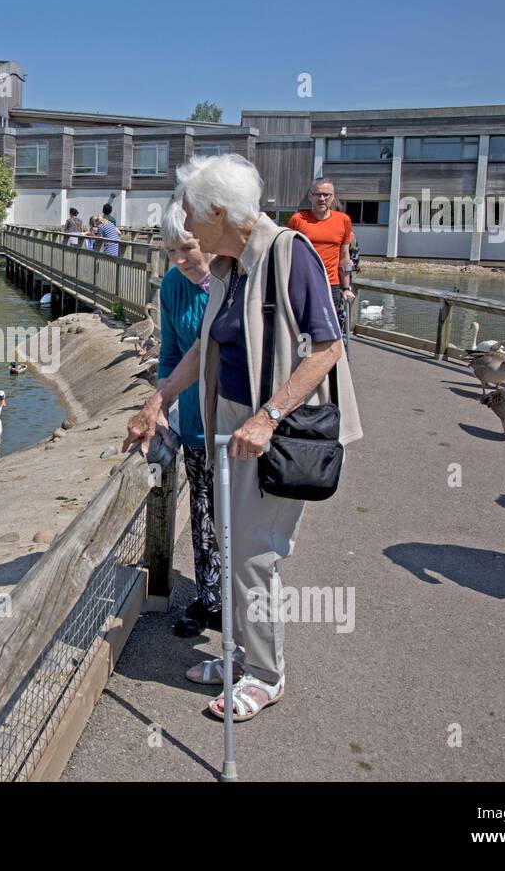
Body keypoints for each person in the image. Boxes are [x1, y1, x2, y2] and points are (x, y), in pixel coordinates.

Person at [124, 153, 361, 722]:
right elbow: (204, 349)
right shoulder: (229, 267)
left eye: (193, 217)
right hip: (231, 418)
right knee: (230, 547)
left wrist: (268, 415)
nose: (189, 231)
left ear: (221, 213)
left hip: (278, 431)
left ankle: (265, 673)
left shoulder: (288, 254)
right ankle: (236, 653)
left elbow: (328, 349)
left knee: (254, 554)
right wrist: (156, 400)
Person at [159, 198, 220, 636]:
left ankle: (244, 611)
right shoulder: (171, 285)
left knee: (233, 517)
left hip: (234, 423)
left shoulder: (233, 282)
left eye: (187, 248)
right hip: (196, 419)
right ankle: (209, 598)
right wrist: (160, 405)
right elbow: (170, 353)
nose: (180, 260)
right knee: (200, 510)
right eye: (170, 251)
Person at [288, 177, 355, 346]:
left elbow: (344, 257)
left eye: (326, 195)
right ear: (310, 196)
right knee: (301, 326)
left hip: (330, 284)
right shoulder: (298, 219)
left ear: (333, 197)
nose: (322, 199)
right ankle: (302, 361)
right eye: (318, 194)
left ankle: (328, 366)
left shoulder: (343, 220)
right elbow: (286, 251)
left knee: (328, 327)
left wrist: (346, 288)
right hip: (302, 282)